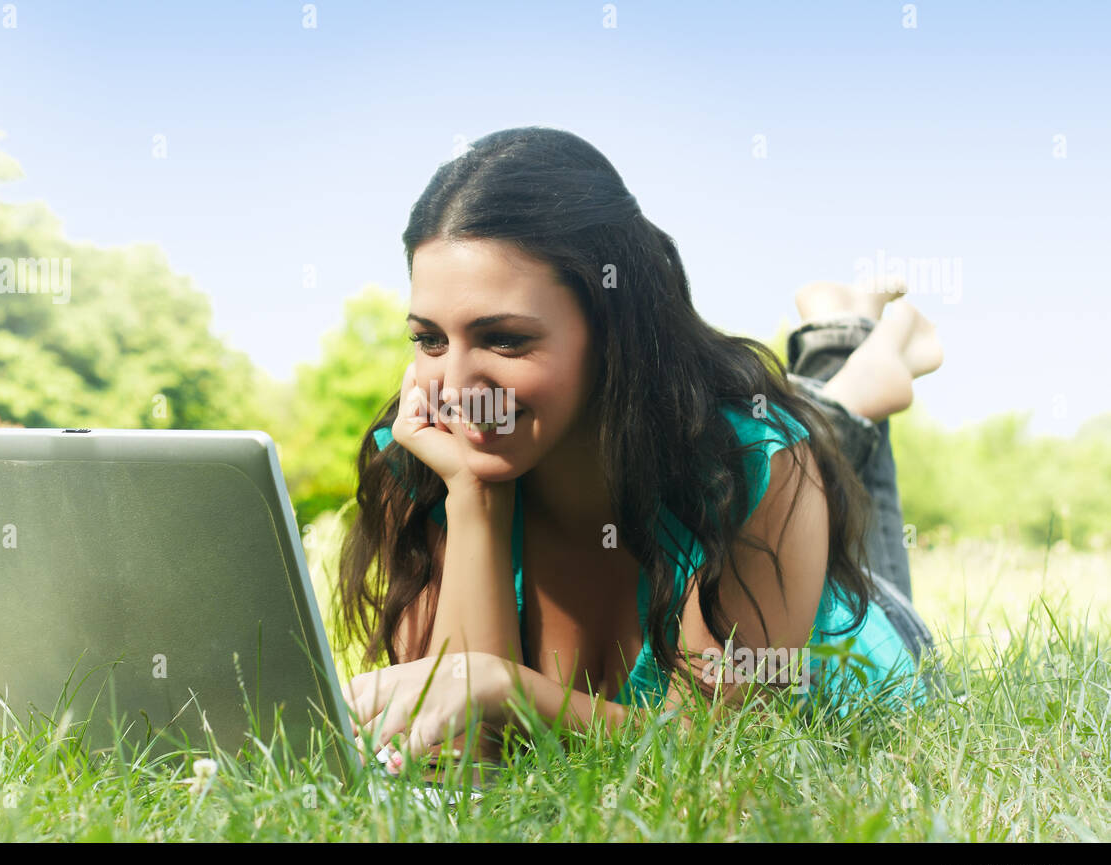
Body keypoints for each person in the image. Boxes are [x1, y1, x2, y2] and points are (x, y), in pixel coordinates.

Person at [338, 126, 948, 772]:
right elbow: (465, 762)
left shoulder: (751, 465)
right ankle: (847, 348)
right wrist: (474, 499)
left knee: (813, 435)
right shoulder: (426, 460)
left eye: (505, 340)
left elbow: (723, 751)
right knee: (812, 422)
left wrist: (506, 685)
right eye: (429, 340)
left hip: (851, 621)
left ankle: (861, 352)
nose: (457, 390)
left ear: (610, 327)